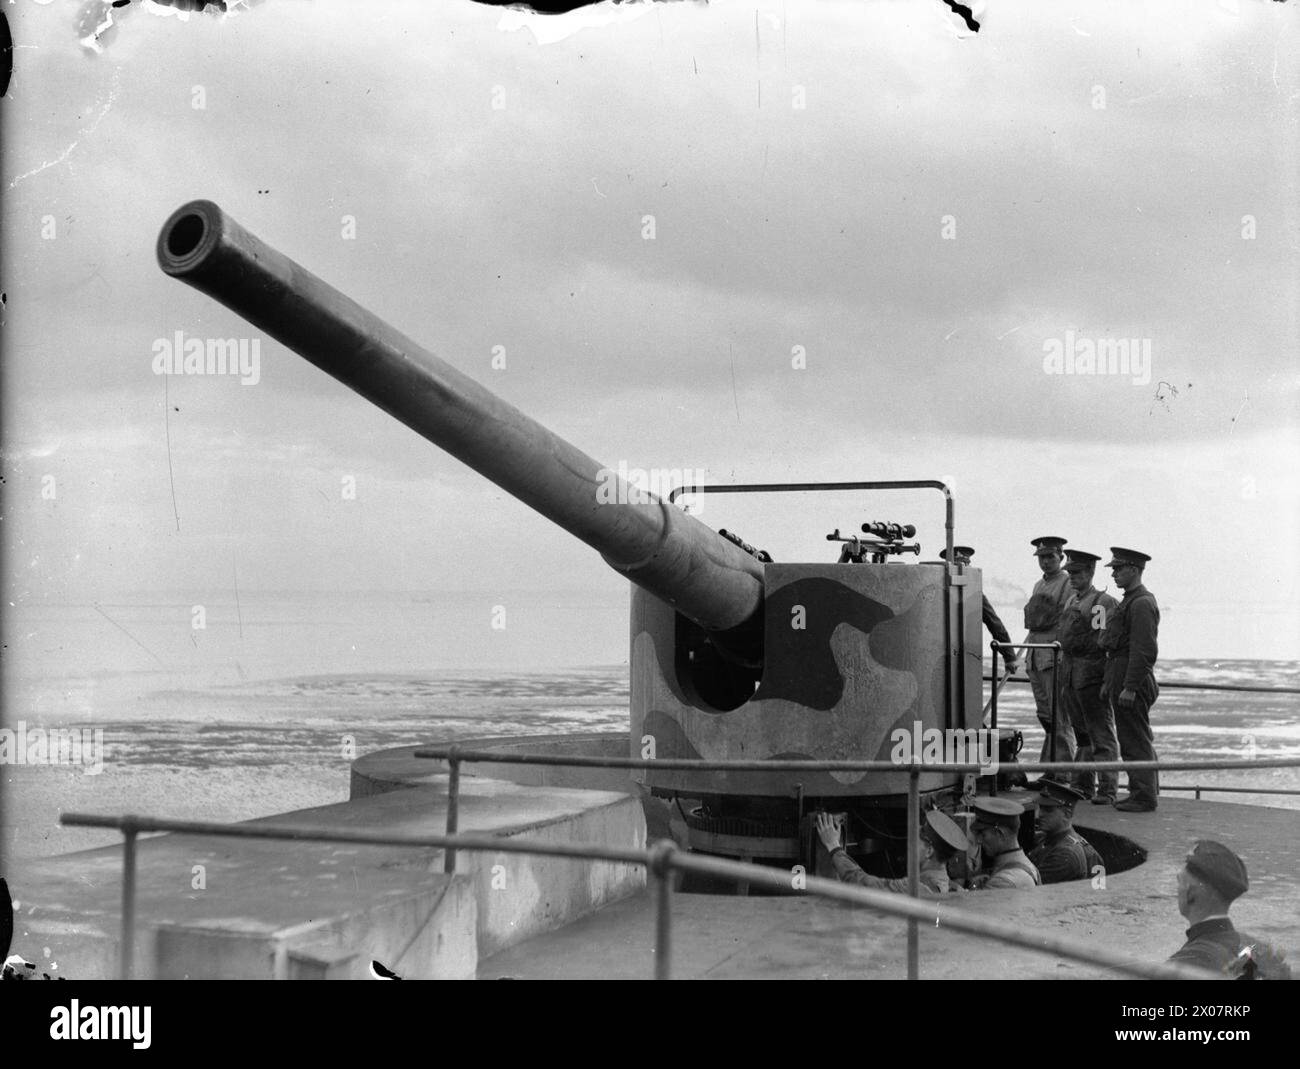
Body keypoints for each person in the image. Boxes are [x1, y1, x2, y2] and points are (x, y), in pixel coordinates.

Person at [1168, 840, 1292, 979]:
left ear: (1190, 892)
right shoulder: (1263, 952)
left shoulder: (1186, 962)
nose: (1177, 890)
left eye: (1180, 881)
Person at [1098, 547, 1160, 812]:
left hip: (1131, 680)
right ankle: (1144, 791)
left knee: (1135, 740)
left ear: (1134, 570)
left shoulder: (1142, 602)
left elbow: (1144, 650)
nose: (1113, 574)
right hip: (1121, 676)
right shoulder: (1130, 600)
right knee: (1133, 737)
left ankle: (1144, 796)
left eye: (1118, 569)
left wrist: (1130, 687)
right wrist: (1110, 683)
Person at [1058, 550, 1121, 804]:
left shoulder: (1102, 603)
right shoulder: (1071, 601)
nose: (1072, 577)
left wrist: (1107, 679)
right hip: (1071, 676)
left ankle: (1107, 789)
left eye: (1078, 573)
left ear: (1090, 573)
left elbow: (1106, 643)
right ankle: (1082, 785)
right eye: (1070, 573)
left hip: (1092, 676)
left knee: (1101, 735)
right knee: (1082, 734)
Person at [814, 810, 967, 896]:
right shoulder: (944, 883)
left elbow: (862, 885)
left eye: (915, 841)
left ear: (929, 851)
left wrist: (833, 845)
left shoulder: (917, 888)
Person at [1024, 536, 1074, 782]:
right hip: (1035, 656)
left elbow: (1067, 623)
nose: (1045, 562)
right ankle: (1050, 770)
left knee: (1059, 717)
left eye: (1050, 557)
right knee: (1045, 716)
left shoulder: (1067, 584)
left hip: (1053, 658)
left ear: (1060, 557)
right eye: (1041, 558)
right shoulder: (1038, 585)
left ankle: (1063, 773)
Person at [940, 546, 1020, 676]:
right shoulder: (937, 591)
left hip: (965, 653)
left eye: (965, 565)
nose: (962, 570)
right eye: (958, 565)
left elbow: (994, 623)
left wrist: (1009, 656)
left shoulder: (974, 593)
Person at [1027, 781, 1103, 884]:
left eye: (1048, 810)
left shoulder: (1066, 854)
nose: (1039, 815)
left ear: (1067, 814)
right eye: (1041, 808)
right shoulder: (1048, 838)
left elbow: (1030, 886)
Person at [967, 797, 1040, 889]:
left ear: (1000, 833)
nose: (979, 840)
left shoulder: (1002, 882)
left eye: (983, 834)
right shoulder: (1029, 866)